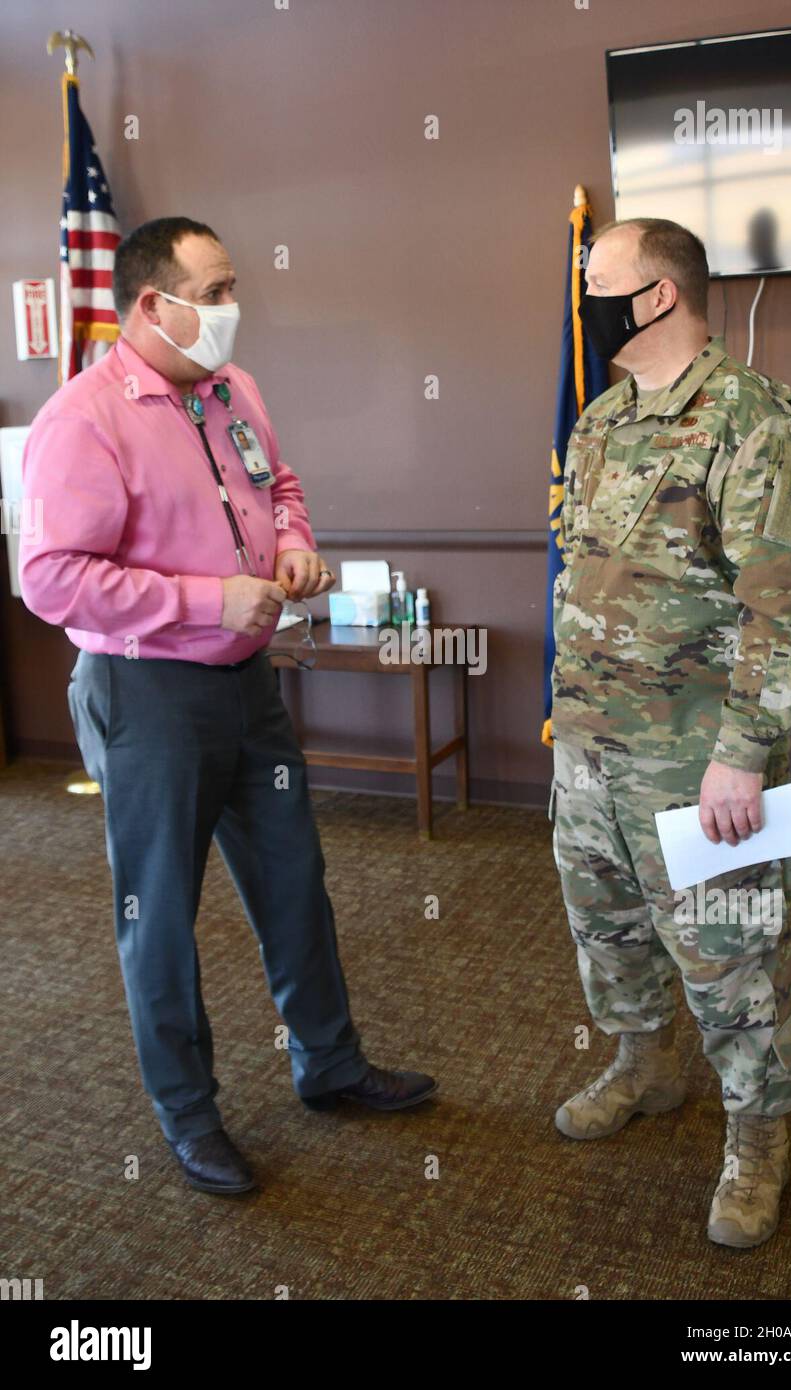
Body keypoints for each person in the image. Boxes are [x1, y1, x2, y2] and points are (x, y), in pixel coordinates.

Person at [20, 217, 436, 1197]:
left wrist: (293, 543)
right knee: (160, 914)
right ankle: (189, 1115)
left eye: (232, 287)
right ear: (150, 305)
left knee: (296, 882)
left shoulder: (231, 390)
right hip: (148, 696)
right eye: (212, 292)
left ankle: (328, 1063)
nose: (229, 309)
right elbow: (50, 578)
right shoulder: (82, 418)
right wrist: (206, 599)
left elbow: (276, 486)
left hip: (250, 689)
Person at [550, 217, 791, 1248]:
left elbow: (790, 602)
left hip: (704, 761)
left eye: (594, 282)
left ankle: (757, 1137)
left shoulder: (749, 415)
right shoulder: (600, 421)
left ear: (657, 293)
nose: (578, 300)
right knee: (611, 934)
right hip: (589, 751)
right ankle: (642, 1064)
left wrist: (741, 757)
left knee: (732, 956)